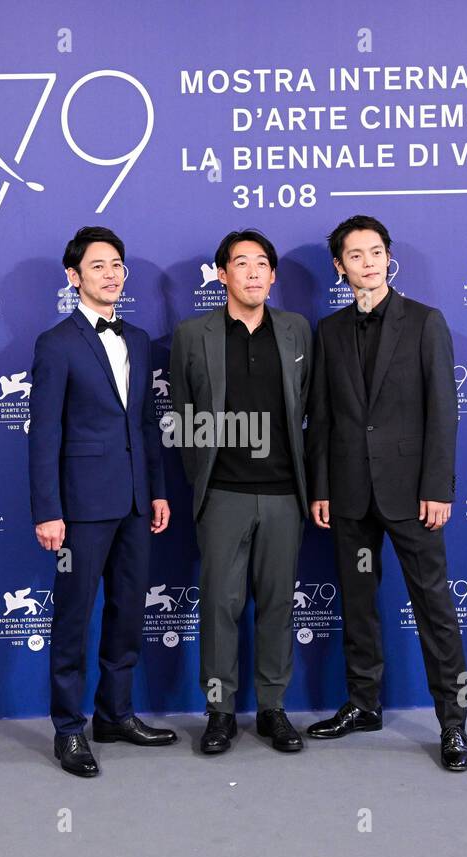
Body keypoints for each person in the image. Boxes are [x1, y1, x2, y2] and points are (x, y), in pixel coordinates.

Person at [304, 215, 467, 771]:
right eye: (356, 255)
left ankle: (453, 724)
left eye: (376, 251)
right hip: (350, 495)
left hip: (412, 496)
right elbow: (322, 419)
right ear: (340, 266)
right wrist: (324, 487)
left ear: (388, 256)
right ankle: (363, 704)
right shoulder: (328, 331)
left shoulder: (426, 322)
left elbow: (443, 413)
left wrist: (437, 486)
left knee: (435, 608)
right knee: (358, 606)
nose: (368, 262)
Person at [28, 225, 176, 777]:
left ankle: (115, 713)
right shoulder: (56, 343)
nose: (112, 274)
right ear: (74, 276)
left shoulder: (137, 339)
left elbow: (146, 422)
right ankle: (70, 729)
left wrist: (157, 490)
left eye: (117, 264)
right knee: (72, 617)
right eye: (98, 266)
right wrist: (48, 509)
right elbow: (43, 434)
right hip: (81, 507)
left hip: (137, 502)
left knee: (128, 613)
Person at [168, 230, 313, 754]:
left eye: (262, 264)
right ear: (222, 274)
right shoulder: (192, 334)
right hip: (222, 494)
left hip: (283, 495)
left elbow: (310, 415)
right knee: (219, 607)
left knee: (278, 605)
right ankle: (220, 712)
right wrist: (203, 481)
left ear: (273, 276)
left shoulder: (298, 331)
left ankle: (273, 710)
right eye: (240, 263)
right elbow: (181, 418)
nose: (252, 272)